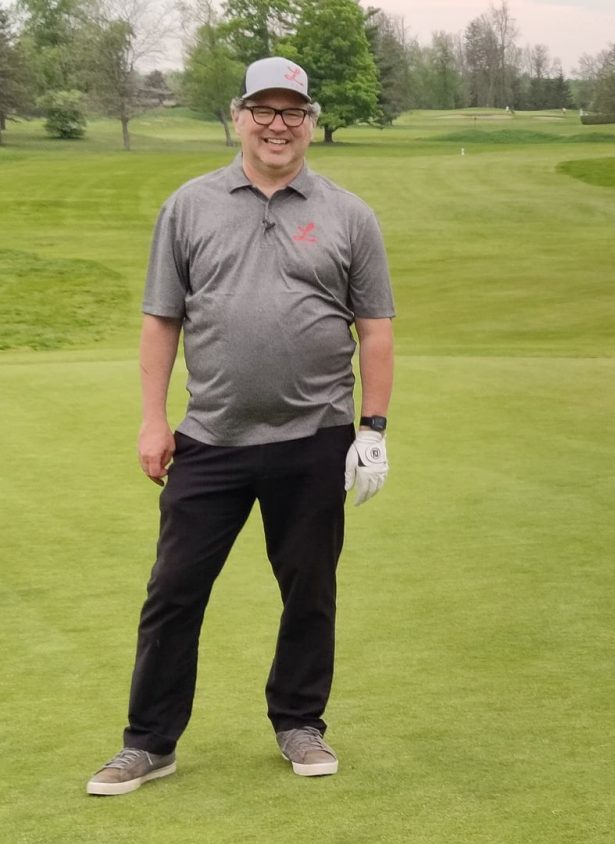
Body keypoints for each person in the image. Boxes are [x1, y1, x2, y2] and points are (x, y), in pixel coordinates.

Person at [86, 57, 396, 796]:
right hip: (210, 439)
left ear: (310, 123)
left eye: (293, 111)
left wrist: (373, 428)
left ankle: (299, 723)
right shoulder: (189, 206)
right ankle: (148, 742)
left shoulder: (349, 214)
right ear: (238, 117)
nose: (278, 125)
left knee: (310, 591)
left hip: (315, 437)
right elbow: (162, 320)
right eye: (264, 109)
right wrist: (153, 420)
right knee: (174, 593)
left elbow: (375, 330)